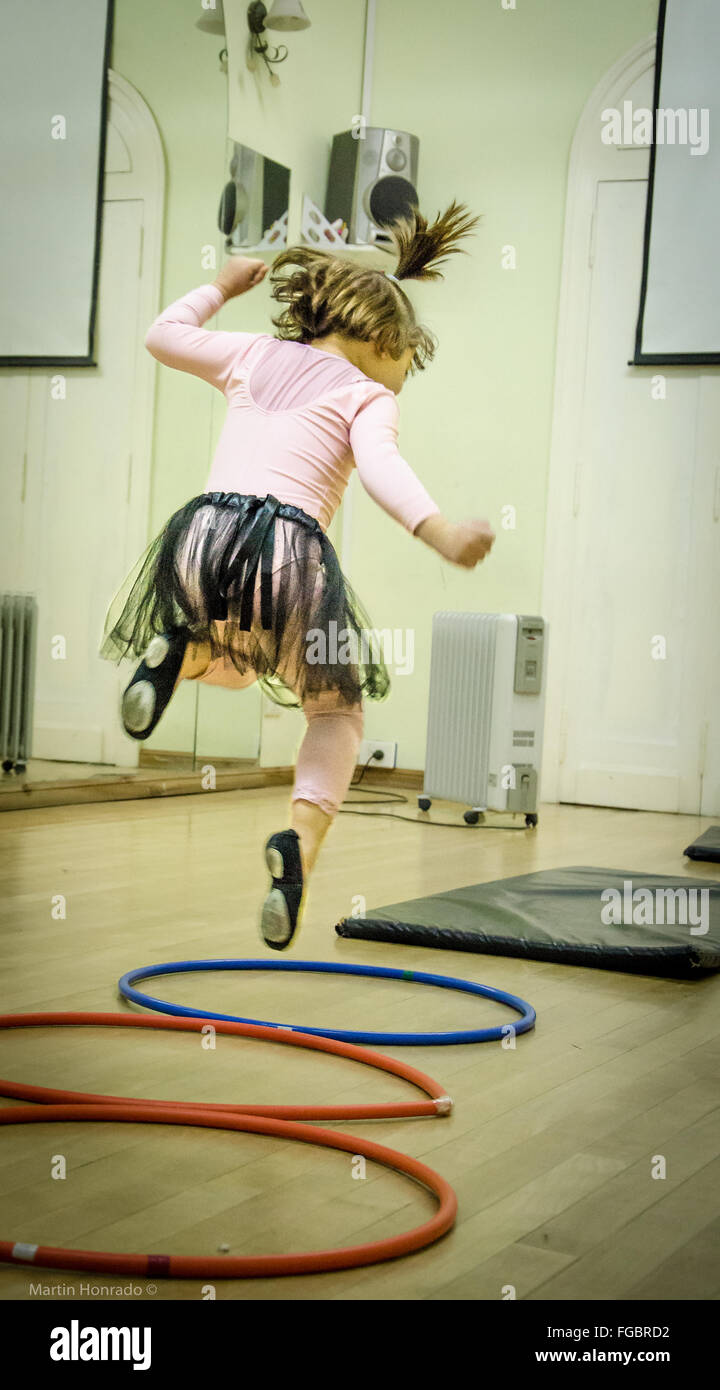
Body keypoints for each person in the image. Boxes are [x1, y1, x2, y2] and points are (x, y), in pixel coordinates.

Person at [100, 200, 496, 950]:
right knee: (335, 713)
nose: (404, 379)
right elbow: (381, 467)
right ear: (381, 341)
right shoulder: (366, 394)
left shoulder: (250, 354)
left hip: (201, 536)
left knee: (241, 668)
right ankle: (299, 849)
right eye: (407, 362)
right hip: (289, 554)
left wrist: (219, 285)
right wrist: (437, 529)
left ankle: (178, 653)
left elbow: (162, 336)